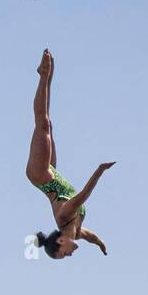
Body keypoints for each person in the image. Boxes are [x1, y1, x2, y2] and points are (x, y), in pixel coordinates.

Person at [27, 49, 115, 260]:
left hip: (40, 174)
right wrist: (101, 244)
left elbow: (83, 195)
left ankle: (44, 75)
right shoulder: (75, 231)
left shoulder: (64, 216)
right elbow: (91, 236)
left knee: (43, 124)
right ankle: (48, 77)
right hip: (52, 173)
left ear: (60, 241)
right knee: (48, 123)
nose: (69, 255)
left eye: (63, 254)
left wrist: (99, 170)